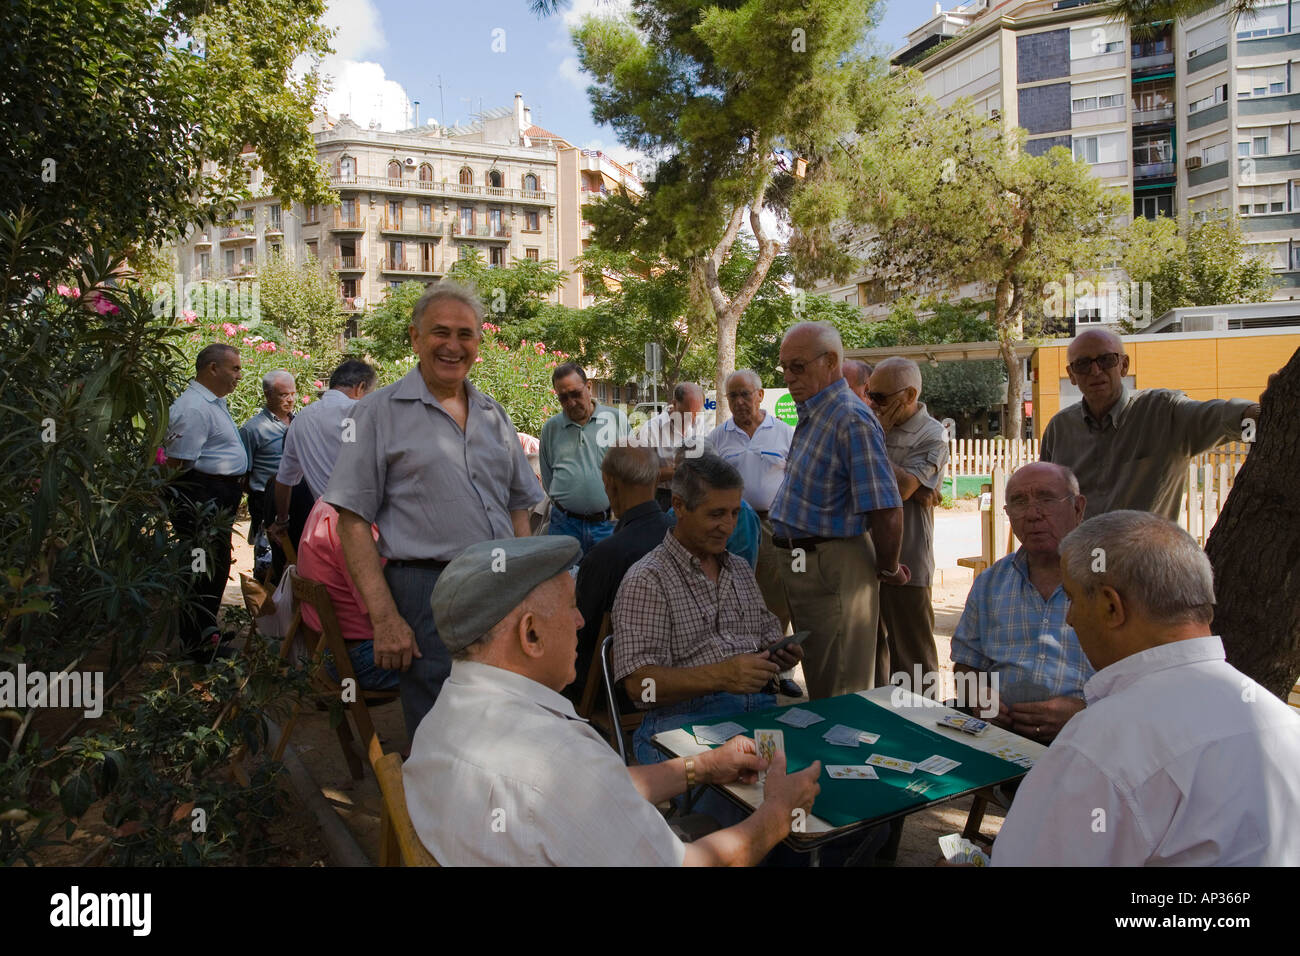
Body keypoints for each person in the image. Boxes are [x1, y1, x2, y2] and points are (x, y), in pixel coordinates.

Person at [403, 536, 822, 866]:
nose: (581, 621)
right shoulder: (560, 759)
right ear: (530, 634)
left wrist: (703, 766)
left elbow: (595, 793)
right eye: (571, 607)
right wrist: (779, 813)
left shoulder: (443, 714)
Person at [993, 510, 1300, 866]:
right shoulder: (1284, 723)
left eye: (1072, 599)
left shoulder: (1102, 742)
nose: (1070, 618)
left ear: (1111, 606)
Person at [324, 282, 543, 739]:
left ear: (478, 342)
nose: (453, 346)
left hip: (501, 590)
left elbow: (519, 508)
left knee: (503, 720)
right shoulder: (376, 413)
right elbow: (352, 522)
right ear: (415, 338)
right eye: (440, 332)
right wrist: (385, 618)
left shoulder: (493, 414)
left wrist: (527, 592)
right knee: (441, 730)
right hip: (428, 591)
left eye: (465, 334)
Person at [612, 454, 802, 767]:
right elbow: (639, 688)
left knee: (817, 770)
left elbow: (767, 634)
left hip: (757, 715)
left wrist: (781, 651)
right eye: (716, 514)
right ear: (679, 506)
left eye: (734, 513)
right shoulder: (647, 579)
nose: (727, 526)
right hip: (683, 725)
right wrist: (722, 676)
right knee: (758, 787)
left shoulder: (738, 568)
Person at [770, 322, 905, 700]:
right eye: (784, 367)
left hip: (832, 562)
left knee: (842, 689)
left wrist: (887, 567)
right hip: (808, 562)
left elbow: (886, 508)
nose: (789, 377)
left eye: (798, 367)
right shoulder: (818, 412)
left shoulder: (850, 417)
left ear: (830, 361)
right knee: (823, 679)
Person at [1040, 327, 1260, 520]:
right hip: (1077, 553)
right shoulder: (1059, 429)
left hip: (1144, 554)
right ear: (1071, 375)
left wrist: (1262, 414)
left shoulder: (1165, 413)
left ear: (1124, 365)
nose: (1096, 371)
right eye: (1083, 364)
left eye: (1106, 360)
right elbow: (1044, 496)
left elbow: (1223, 417)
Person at [950, 462, 1092, 744]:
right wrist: (978, 696)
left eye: (1046, 499)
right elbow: (966, 665)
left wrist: (1087, 715)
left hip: (1090, 743)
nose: (1032, 514)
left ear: (1078, 508)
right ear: (1008, 514)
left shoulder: (1113, 581)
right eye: (1018, 502)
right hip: (1000, 739)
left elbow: (1146, 683)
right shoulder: (990, 582)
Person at [710, 368, 801, 697]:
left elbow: (798, 479)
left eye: (745, 394)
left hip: (775, 525)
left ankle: (781, 671)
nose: (739, 401)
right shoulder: (717, 438)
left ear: (760, 395)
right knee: (738, 598)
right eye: (732, 395)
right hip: (734, 528)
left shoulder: (785, 433)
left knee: (777, 600)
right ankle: (749, 671)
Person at [866, 358, 949, 688]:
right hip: (866, 554)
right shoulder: (874, 423)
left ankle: (921, 715)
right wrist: (915, 487)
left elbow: (901, 489)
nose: (873, 404)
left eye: (881, 397)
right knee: (871, 652)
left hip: (908, 559)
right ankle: (879, 711)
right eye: (870, 395)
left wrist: (870, 444)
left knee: (913, 655)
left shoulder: (932, 434)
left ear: (910, 395)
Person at [570, 446, 674, 705]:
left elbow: (581, 631)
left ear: (609, 484)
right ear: (656, 479)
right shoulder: (683, 534)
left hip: (616, 690)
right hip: (679, 677)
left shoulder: (605, 556)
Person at [164, 343, 248, 660]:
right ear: (213, 368)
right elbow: (176, 465)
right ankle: (197, 644)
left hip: (216, 498)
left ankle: (206, 631)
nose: (239, 375)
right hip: (201, 499)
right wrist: (194, 508)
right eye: (235, 368)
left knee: (215, 565)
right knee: (201, 567)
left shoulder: (211, 403)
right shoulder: (193, 407)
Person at [268, 359, 377, 567]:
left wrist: (282, 520)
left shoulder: (301, 420)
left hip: (324, 528)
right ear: (360, 387)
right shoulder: (361, 412)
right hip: (367, 525)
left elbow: (284, 480)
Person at [295, 497, 399, 691]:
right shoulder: (352, 522)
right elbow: (389, 604)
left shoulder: (326, 503)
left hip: (331, 649)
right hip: (360, 659)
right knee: (449, 657)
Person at [539, 362, 627, 554]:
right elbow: (547, 477)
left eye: (575, 394)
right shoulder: (551, 429)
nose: (571, 402)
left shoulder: (616, 420)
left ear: (589, 387)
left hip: (608, 525)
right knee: (563, 574)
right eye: (563, 398)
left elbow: (630, 470)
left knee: (606, 573)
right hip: (564, 526)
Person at [240, 369, 295, 580]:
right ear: (267, 394)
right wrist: (261, 497)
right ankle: (265, 596)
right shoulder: (252, 429)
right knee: (267, 558)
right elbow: (244, 473)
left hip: (294, 498)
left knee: (293, 555)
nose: (290, 400)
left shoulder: (300, 422)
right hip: (265, 500)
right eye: (283, 394)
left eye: (293, 393)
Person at [636, 382, 709, 511]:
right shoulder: (651, 429)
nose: (692, 420)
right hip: (662, 498)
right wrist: (680, 470)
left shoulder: (700, 424)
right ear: (674, 404)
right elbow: (641, 474)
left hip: (695, 495)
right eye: (687, 414)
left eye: (697, 414)